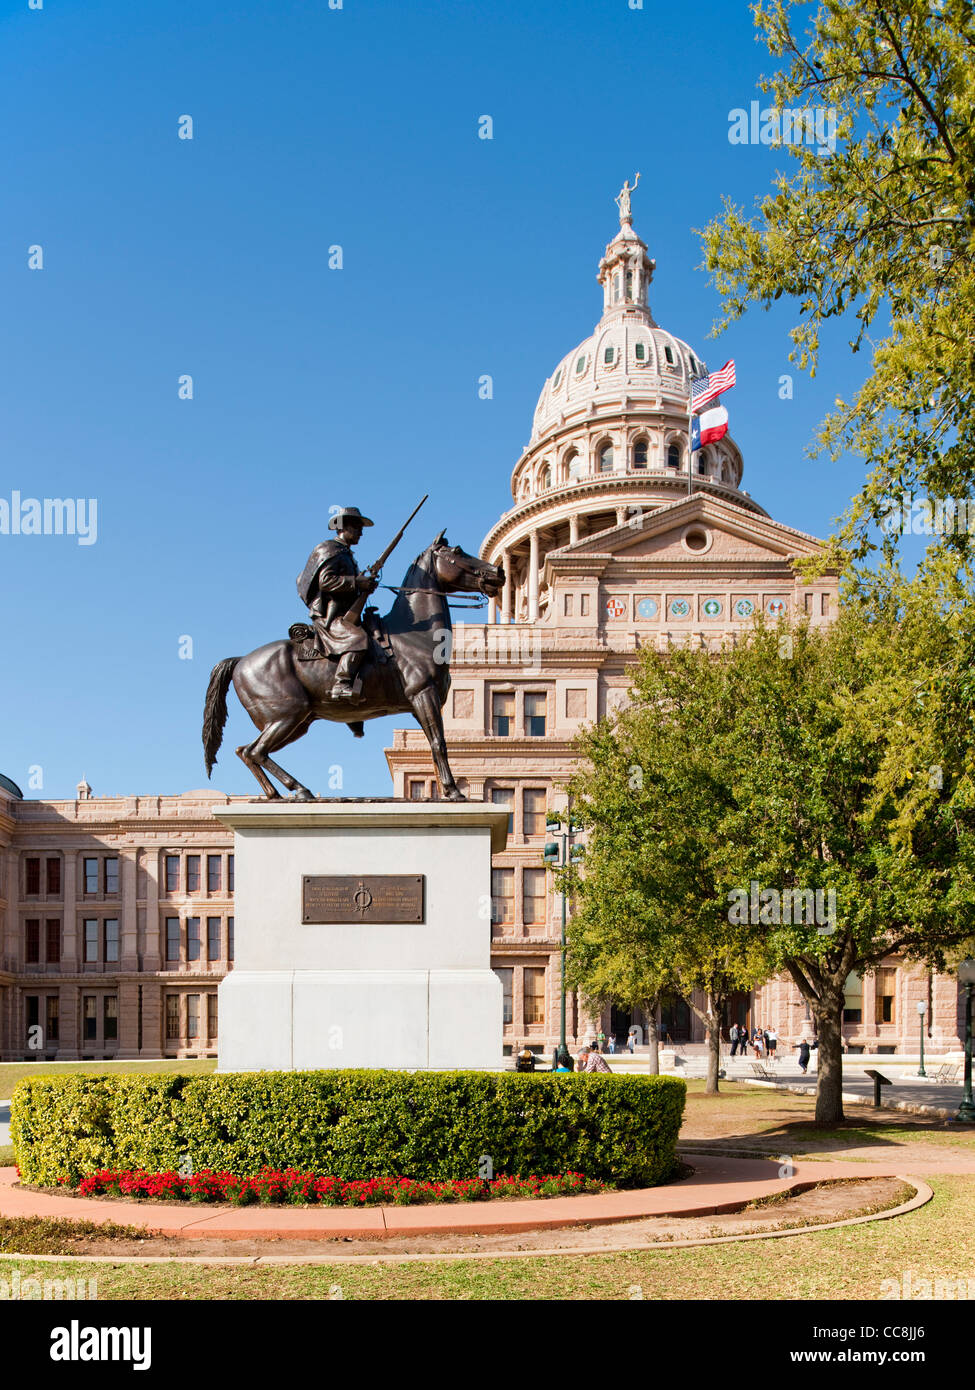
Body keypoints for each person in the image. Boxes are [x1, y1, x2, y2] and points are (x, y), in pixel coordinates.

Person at [296, 506, 379, 697]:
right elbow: (325, 582)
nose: (361, 533)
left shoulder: (346, 553)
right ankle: (341, 683)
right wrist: (357, 581)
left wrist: (365, 585)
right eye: (357, 528)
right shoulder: (331, 550)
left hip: (345, 613)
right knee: (358, 638)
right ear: (343, 527)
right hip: (331, 616)